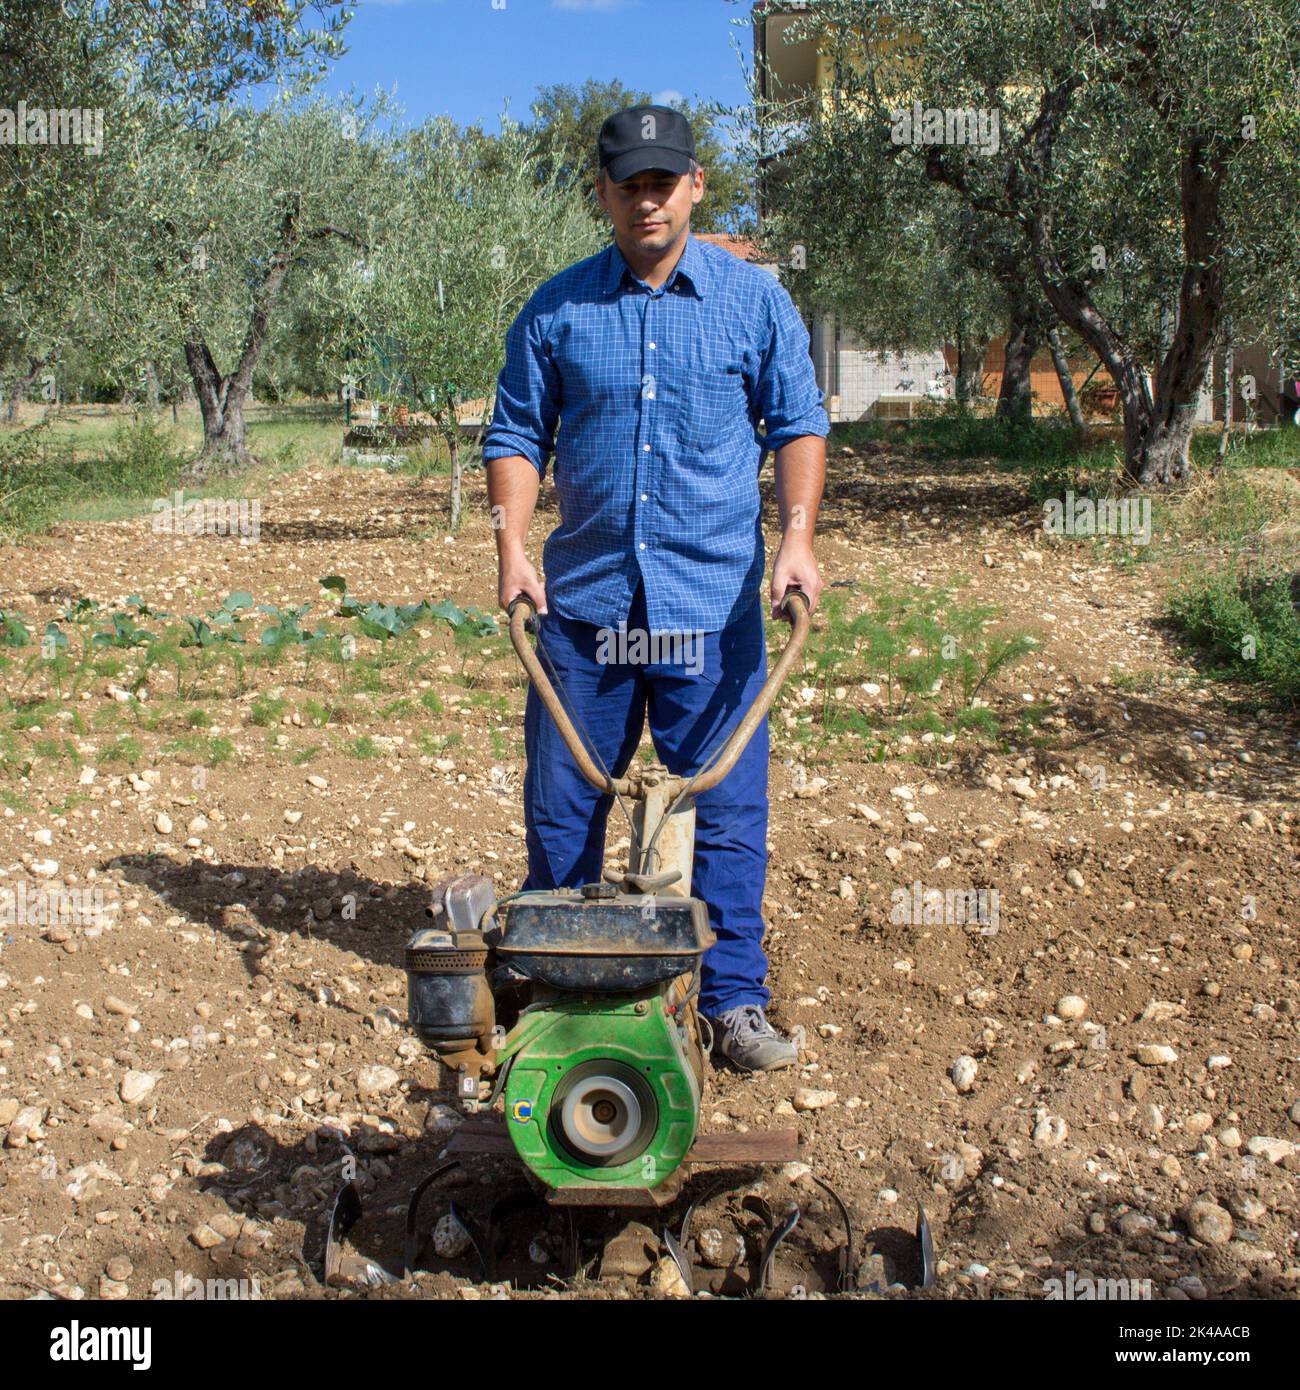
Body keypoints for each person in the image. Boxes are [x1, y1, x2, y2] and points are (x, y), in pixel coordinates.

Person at [482, 105, 828, 1071]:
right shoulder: (556, 310)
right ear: (601, 194)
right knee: (562, 807)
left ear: (695, 186)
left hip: (711, 611)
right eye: (629, 183)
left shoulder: (754, 304)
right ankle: (554, 983)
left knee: (725, 812)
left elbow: (798, 424)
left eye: (663, 181)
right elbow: (514, 436)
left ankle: (732, 1003)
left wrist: (797, 538)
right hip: (585, 611)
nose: (648, 198)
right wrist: (513, 548)